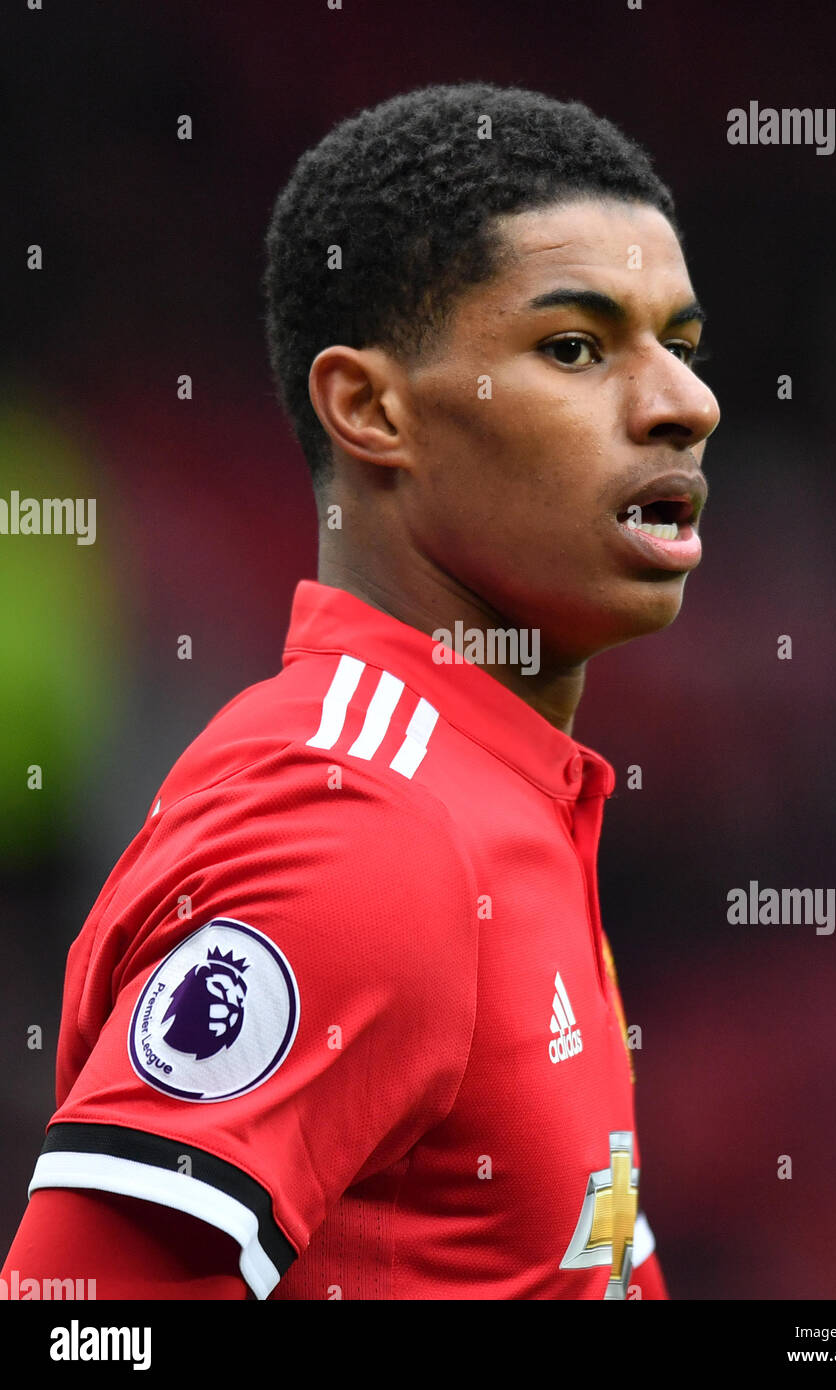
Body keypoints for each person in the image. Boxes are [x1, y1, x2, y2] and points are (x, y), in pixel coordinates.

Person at [2, 82, 718, 1300]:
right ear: (372, 410)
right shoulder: (360, 832)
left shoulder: (502, 797)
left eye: (681, 346)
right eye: (575, 347)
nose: (683, 404)